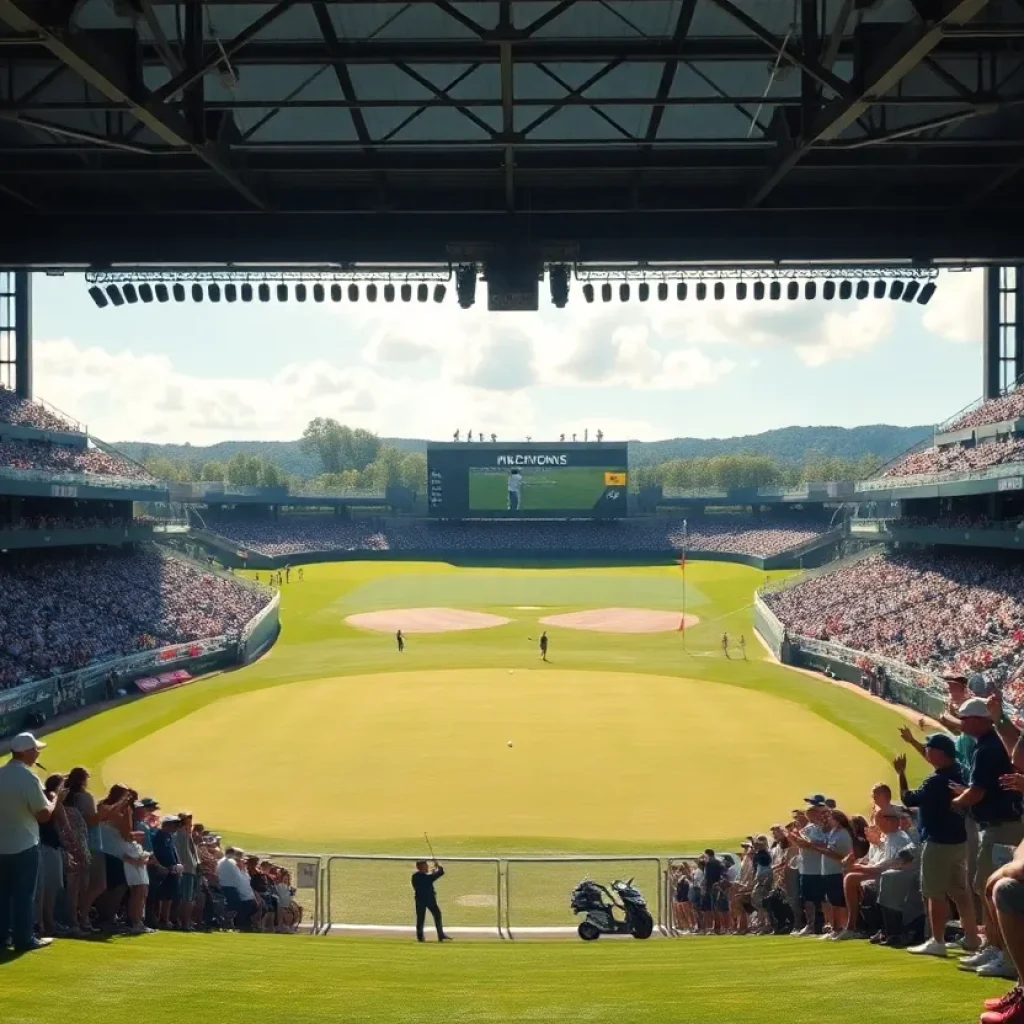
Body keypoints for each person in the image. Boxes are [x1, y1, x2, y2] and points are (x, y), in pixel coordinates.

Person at [952, 697, 1024, 980]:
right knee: (989, 885)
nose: (960, 723)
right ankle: (997, 948)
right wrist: (1002, 720)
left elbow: (979, 791)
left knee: (993, 886)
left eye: (965, 717)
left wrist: (956, 802)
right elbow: (1018, 756)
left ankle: (1005, 953)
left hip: (1002, 825)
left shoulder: (987, 747)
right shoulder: (990, 743)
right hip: (999, 825)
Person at [894, 736, 979, 957]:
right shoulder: (959, 771)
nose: (927, 753)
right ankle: (971, 938)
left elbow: (909, 799)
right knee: (960, 892)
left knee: (934, 892)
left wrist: (901, 774)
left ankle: (937, 940)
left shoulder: (936, 780)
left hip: (937, 842)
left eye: (930, 749)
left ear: (941, 753)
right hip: (958, 840)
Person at [0, 732, 60, 952]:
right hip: (24, 843)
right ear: (25, 752)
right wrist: (54, 800)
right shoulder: (28, 777)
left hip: (1, 845)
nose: (37, 753)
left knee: (3, 894)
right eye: (35, 750)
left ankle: (2, 937)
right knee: (24, 894)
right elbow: (43, 815)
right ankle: (24, 938)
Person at [412, 860, 451, 942]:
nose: (427, 867)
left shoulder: (415, 876)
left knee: (420, 919)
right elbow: (438, 874)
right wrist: (438, 868)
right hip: (429, 900)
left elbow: (432, 876)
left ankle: (420, 937)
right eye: (425, 866)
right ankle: (440, 935)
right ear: (420, 867)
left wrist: (435, 871)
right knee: (436, 915)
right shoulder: (424, 877)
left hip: (420, 900)